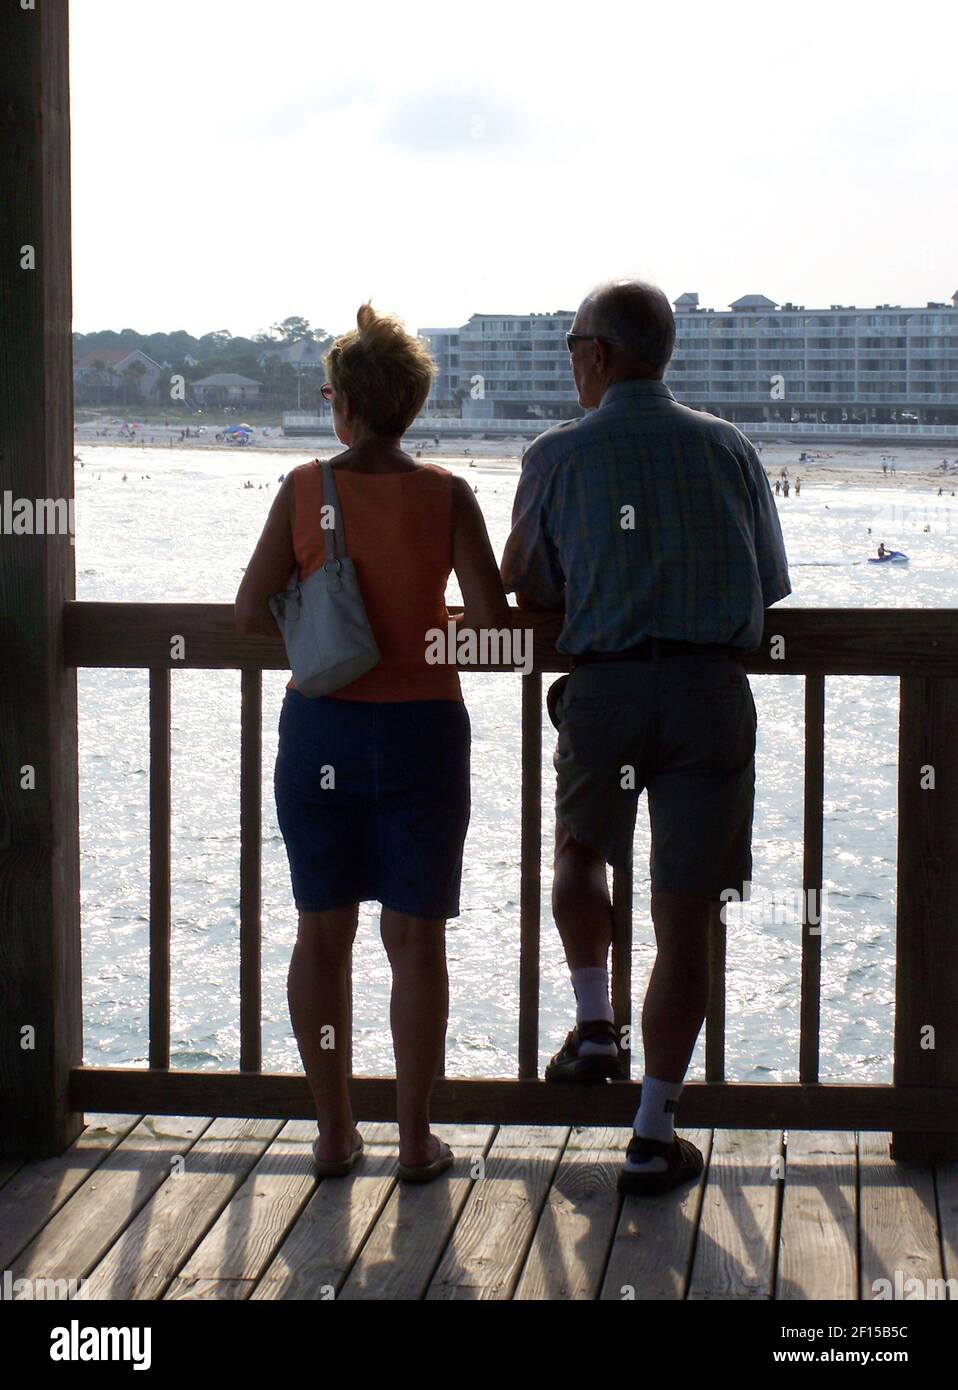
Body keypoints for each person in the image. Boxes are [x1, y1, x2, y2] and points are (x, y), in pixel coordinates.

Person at [501, 279, 791, 1197]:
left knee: (582, 852)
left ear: (600, 354)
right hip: (710, 690)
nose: (572, 361)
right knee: (687, 914)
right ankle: (655, 1131)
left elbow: (527, 587)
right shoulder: (729, 447)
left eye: (573, 346)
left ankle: (595, 1027)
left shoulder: (557, 455)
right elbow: (769, 585)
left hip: (607, 690)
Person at [235, 304, 509, 1183]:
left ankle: (331, 1132)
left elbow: (248, 612)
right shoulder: (447, 494)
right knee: (415, 939)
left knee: (323, 930)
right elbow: (493, 626)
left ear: (344, 404)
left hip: (323, 726)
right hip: (424, 728)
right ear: (413, 405)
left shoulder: (305, 490)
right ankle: (417, 1140)